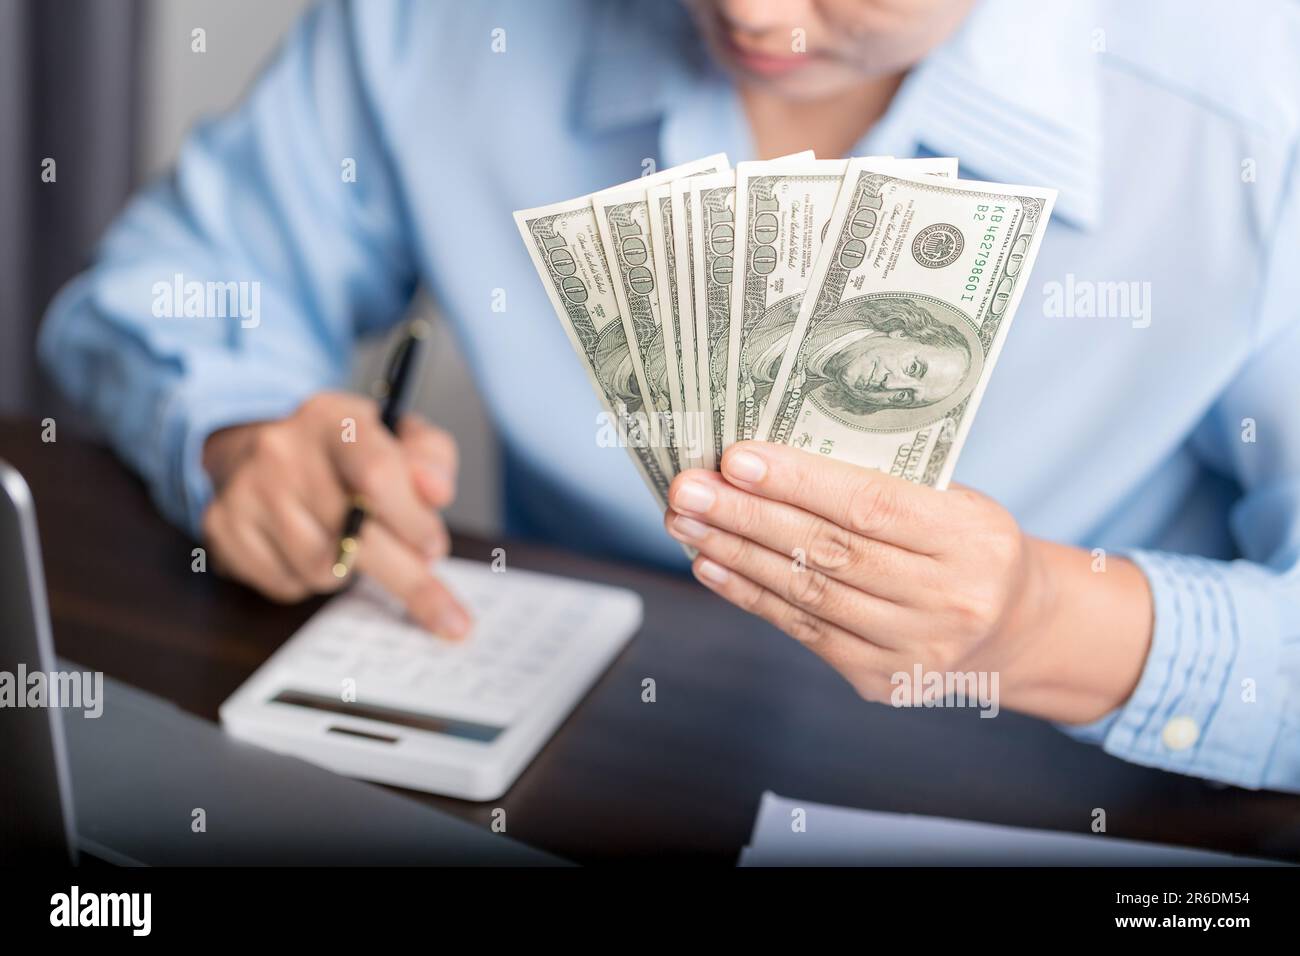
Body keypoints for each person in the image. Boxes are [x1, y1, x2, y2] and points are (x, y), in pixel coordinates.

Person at [39, 0, 1300, 792]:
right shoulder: (433, 24)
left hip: (1063, 792)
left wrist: (1037, 628)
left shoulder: (1256, 117)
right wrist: (241, 432)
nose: (749, 11)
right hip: (573, 753)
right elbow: (172, 288)